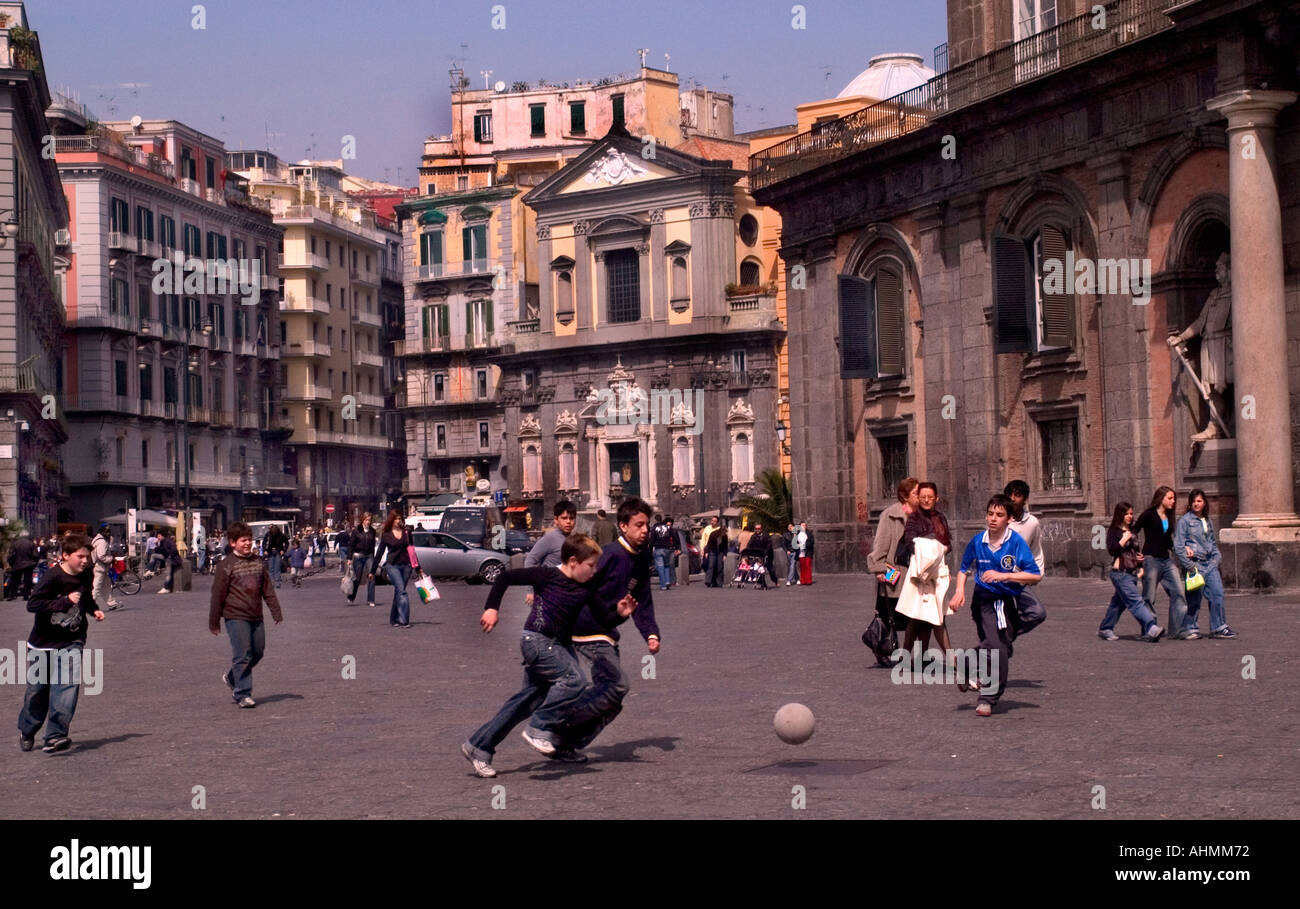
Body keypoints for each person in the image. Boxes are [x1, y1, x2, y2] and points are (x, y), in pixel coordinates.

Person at [461, 534, 636, 777]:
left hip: (559, 647)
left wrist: (620, 613)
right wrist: (491, 608)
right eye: (591, 565)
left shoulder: (586, 588)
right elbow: (505, 577)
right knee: (573, 680)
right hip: (536, 640)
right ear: (573, 561)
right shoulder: (547, 575)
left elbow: (604, 620)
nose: (595, 571)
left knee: (525, 703)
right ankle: (540, 728)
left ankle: (479, 746)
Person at [533, 497, 660, 758]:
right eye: (639, 525)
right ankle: (553, 722)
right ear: (623, 526)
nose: (645, 530)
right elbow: (576, 580)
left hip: (608, 633)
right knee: (617, 685)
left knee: (613, 702)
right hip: (587, 630)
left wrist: (651, 632)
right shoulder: (610, 554)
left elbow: (643, 599)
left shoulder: (641, 559)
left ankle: (565, 744)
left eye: (647, 525)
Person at [948, 495, 1042, 717]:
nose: (993, 519)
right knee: (998, 649)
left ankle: (968, 658)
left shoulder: (1015, 543)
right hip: (985, 600)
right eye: (990, 513)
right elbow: (963, 569)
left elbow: (1034, 576)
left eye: (999, 515)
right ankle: (987, 699)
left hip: (1008, 595)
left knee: (1005, 640)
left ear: (1009, 519)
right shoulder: (978, 542)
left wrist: (1004, 575)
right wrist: (959, 590)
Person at [16, 534, 105, 754]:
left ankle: (55, 736)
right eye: (80, 556)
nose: (85, 561)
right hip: (42, 644)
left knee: (66, 687)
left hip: (71, 640)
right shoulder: (52, 577)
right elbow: (33, 604)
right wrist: (64, 602)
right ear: (66, 555)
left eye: (87, 556)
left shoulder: (86, 574)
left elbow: (84, 598)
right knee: (38, 691)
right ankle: (28, 729)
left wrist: (93, 610)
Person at [209, 522, 283, 709]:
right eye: (243, 540)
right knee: (243, 654)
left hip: (256, 615)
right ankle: (242, 693)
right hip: (235, 616)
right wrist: (214, 621)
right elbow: (217, 595)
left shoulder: (258, 562)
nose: (248, 543)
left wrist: (276, 611)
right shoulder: (225, 566)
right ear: (233, 542)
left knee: (257, 652)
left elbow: (267, 589)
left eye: (249, 539)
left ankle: (232, 677)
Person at [895, 482, 954, 661]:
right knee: (935, 617)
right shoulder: (914, 518)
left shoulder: (941, 517)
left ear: (936, 498)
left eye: (930, 497)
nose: (927, 500)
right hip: (921, 575)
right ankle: (954, 662)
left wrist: (940, 549)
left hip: (937, 574)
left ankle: (905, 658)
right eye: (923, 497)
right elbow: (910, 541)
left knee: (918, 617)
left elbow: (948, 544)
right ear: (918, 499)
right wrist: (934, 547)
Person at [866, 477, 920, 663]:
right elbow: (880, 546)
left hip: (916, 572)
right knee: (887, 614)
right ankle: (880, 649)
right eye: (915, 493)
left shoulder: (922, 516)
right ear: (905, 496)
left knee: (917, 615)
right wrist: (880, 569)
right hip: (894, 572)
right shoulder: (890, 515)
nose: (919, 497)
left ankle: (916, 654)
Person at [1174, 489, 1235, 639]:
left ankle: (1219, 627)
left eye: (1199, 501)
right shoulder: (1185, 521)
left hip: (1210, 563)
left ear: (1204, 503)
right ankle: (1189, 628)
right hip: (1195, 564)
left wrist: (1216, 558)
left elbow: (1212, 542)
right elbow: (1179, 545)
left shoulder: (1207, 521)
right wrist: (1189, 565)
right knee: (1194, 599)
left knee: (1217, 594)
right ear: (1190, 503)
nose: (1196, 504)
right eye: (1193, 501)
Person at [1098, 502, 1163, 642]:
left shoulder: (1133, 530)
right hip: (1120, 573)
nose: (1129, 516)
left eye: (1131, 514)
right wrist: (1123, 540)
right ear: (1120, 514)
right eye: (1126, 514)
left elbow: (1135, 550)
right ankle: (1151, 627)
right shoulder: (1114, 531)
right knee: (1135, 601)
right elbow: (1112, 550)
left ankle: (1105, 628)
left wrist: (1140, 561)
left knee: (1118, 603)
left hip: (1132, 572)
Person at [1135, 486, 1191, 639]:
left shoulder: (1169, 517)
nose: (1173, 501)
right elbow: (1134, 530)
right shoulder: (1148, 515)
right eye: (1170, 498)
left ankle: (1177, 630)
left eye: (1174, 498)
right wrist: (1135, 552)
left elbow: (1168, 541)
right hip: (1150, 560)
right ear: (1161, 498)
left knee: (1178, 592)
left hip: (1166, 560)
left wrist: (1182, 548)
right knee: (1149, 597)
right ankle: (1149, 630)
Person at [1004, 480, 1047, 639]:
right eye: (1009, 495)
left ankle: (1008, 634)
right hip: (999, 579)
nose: (1013, 498)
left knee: (1038, 613)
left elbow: (1036, 550)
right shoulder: (1000, 519)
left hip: (1020, 578)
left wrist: (1037, 573)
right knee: (999, 618)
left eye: (1017, 495)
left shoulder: (1032, 523)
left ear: (1025, 499)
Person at [371, 512, 420, 629]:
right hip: (392, 566)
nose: (399, 520)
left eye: (400, 518)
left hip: (406, 566)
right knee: (402, 591)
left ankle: (394, 619)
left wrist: (418, 568)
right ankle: (404, 620)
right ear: (392, 520)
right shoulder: (386, 535)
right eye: (396, 518)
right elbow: (379, 553)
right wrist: (372, 571)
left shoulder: (407, 532)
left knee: (399, 591)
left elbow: (412, 552)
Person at [526, 500, 577, 570]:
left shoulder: (576, 539)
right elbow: (530, 562)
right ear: (556, 520)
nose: (568, 522)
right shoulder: (549, 539)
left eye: (571, 518)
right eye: (564, 518)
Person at [346, 513, 379, 608]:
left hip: (369, 556)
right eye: (366, 520)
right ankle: (351, 597)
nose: (368, 522)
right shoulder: (356, 531)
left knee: (371, 577)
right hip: (358, 556)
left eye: (369, 520)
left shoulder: (372, 531)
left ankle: (371, 600)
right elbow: (351, 545)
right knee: (357, 578)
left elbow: (372, 546)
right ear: (362, 520)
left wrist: (374, 557)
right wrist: (349, 558)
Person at [89, 526, 122, 613]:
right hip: (100, 567)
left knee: (106, 586)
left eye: (109, 531)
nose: (109, 533)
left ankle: (112, 603)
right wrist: (111, 559)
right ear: (102, 532)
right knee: (96, 587)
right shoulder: (102, 542)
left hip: (101, 568)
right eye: (107, 531)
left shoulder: (96, 539)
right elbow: (101, 556)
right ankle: (89, 605)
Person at [4, 530, 39, 602]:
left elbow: (11, 555)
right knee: (27, 580)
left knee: (14, 580)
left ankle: (12, 595)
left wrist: (11, 564)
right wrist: (34, 564)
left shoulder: (15, 544)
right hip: (28, 565)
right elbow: (36, 555)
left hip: (17, 564)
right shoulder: (31, 544)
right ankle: (26, 595)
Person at [649, 513, 674, 591]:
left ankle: (663, 585)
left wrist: (650, 549)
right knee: (666, 565)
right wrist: (675, 546)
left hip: (658, 548)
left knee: (660, 567)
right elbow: (673, 535)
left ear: (656, 519)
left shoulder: (654, 528)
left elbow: (652, 540)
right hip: (667, 548)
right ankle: (667, 581)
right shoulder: (667, 527)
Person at [157, 530, 183, 594]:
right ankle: (150, 570)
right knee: (154, 556)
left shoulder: (168, 541)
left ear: (163, 536)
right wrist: (157, 545)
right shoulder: (162, 542)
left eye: (159, 536)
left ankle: (166, 588)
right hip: (169, 559)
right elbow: (160, 552)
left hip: (173, 559)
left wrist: (169, 556)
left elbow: (174, 550)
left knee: (168, 574)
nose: (158, 538)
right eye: (157, 536)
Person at [705, 520, 728, 587]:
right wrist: (706, 552)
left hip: (720, 552)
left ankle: (719, 582)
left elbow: (725, 546)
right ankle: (708, 581)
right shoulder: (713, 534)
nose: (724, 534)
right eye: (723, 533)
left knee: (720, 567)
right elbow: (708, 544)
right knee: (711, 566)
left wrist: (725, 554)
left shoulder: (725, 537)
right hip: (713, 551)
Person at [265, 524, 288, 589]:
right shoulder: (268, 534)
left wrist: (283, 550)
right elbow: (264, 543)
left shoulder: (281, 535)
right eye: (272, 531)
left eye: (275, 531)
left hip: (278, 551)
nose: (273, 533)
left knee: (277, 567)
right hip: (270, 552)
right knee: (271, 568)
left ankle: (277, 582)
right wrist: (265, 550)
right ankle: (272, 582)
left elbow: (287, 543)